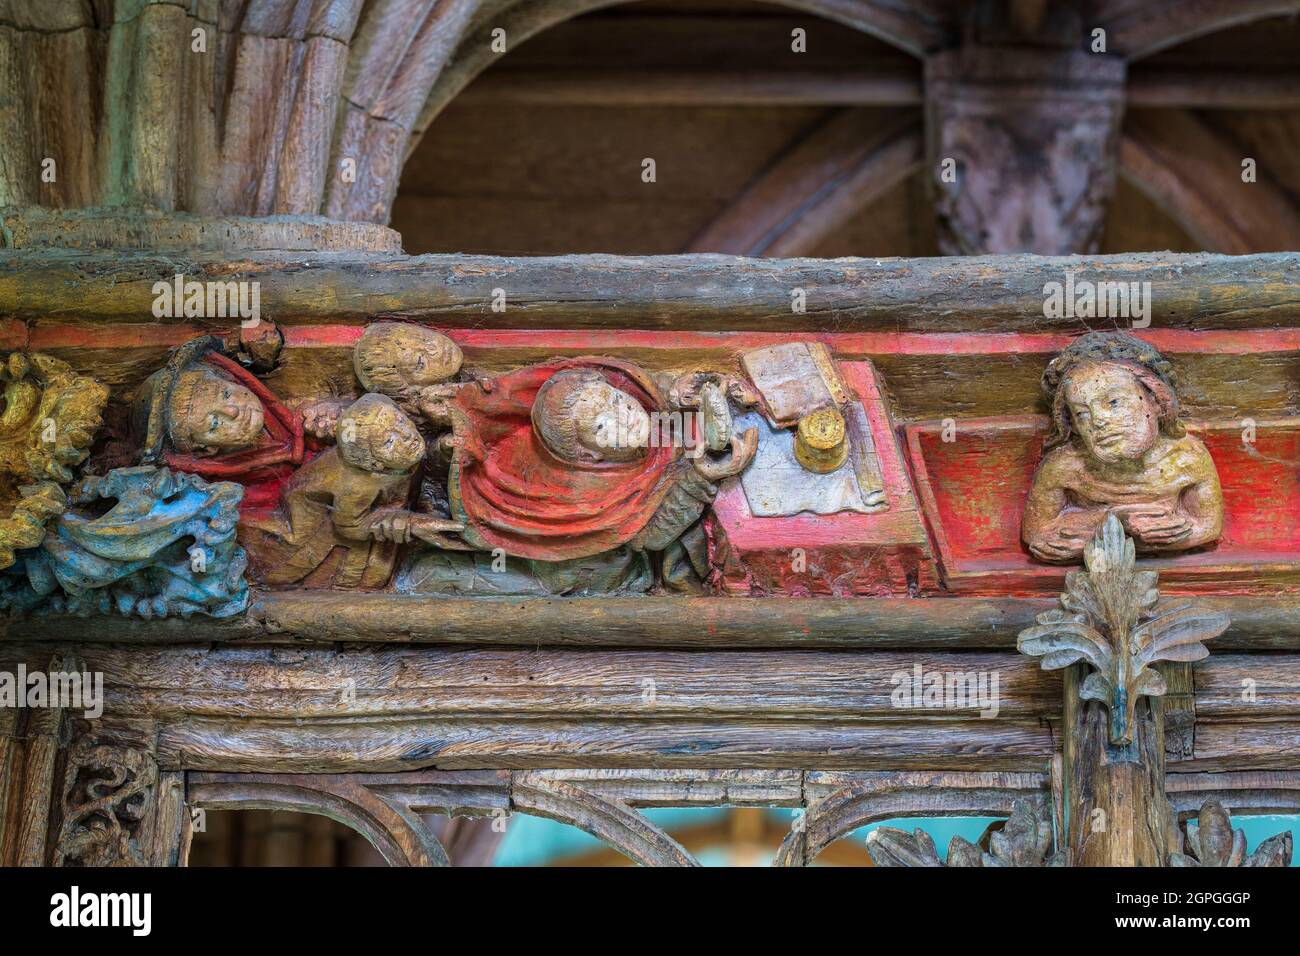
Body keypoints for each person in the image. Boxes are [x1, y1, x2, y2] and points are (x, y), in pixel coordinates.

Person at [1022, 332, 1222, 563]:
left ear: (1156, 401)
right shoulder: (1065, 466)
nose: (1098, 421)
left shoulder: (1187, 459)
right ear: (1072, 426)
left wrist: (1095, 539)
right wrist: (1115, 521)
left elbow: (1209, 527)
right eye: (1081, 414)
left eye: (1114, 403)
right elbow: (1035, 533)